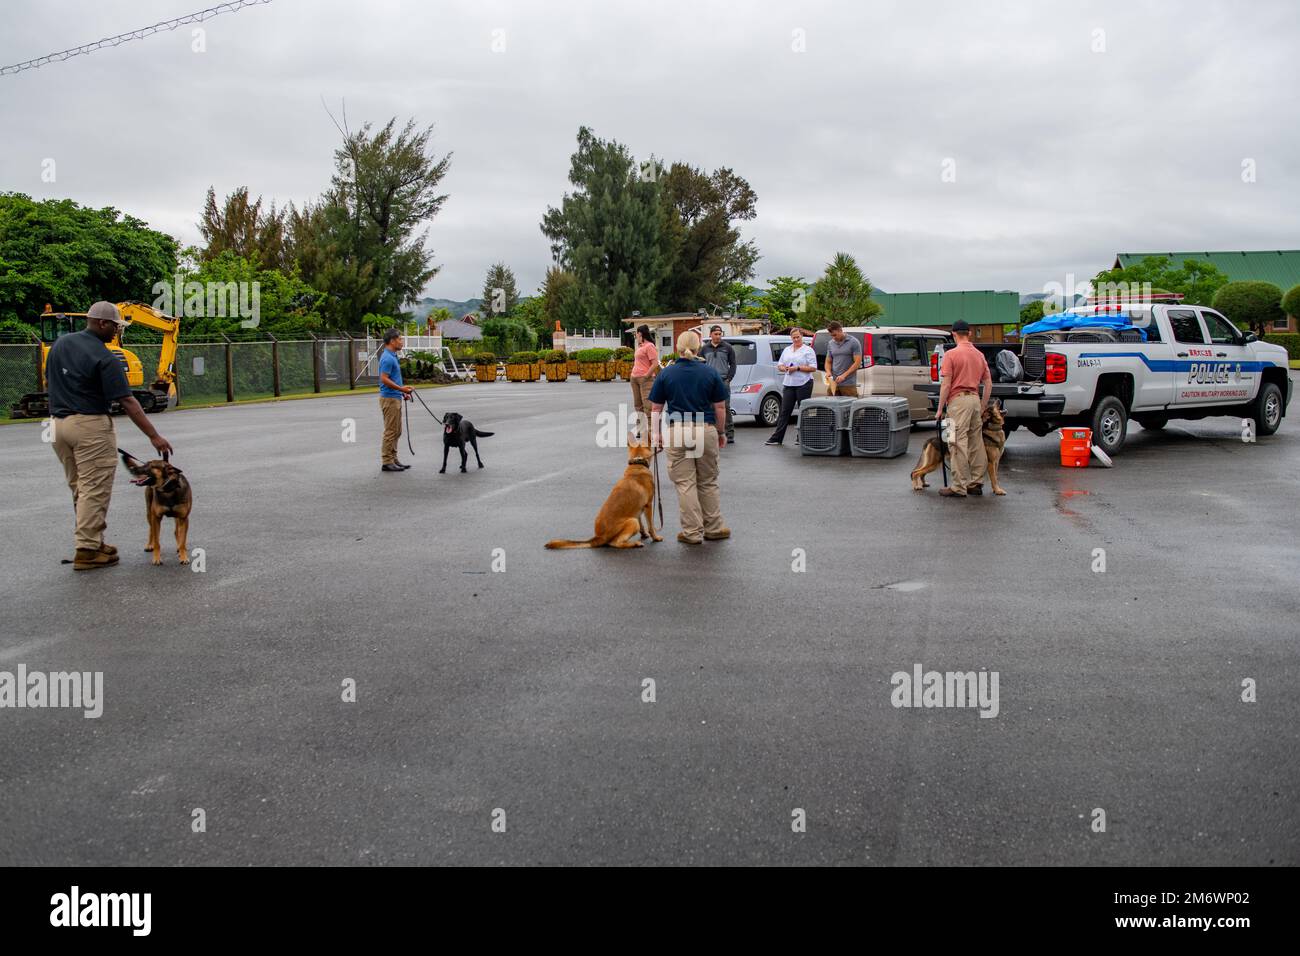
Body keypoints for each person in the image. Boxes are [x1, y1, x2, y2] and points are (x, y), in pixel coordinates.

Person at [47, 301, 174, 571]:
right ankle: (88, 550)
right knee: (94, 489)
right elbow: (127, 401)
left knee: (79, 487)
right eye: (116, 325)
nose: (117, 331)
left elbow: (51, 381)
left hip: (57, 425)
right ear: (102, 323)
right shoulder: (106, 357)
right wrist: (155, 436)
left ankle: (93, 540)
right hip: (89, 425)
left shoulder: (60, 345)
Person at [648, 330, 730, 545]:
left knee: (685, 483)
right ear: (698, 348)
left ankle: (692, 532)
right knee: (708, 481)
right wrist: (721, 432)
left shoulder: (666, 374)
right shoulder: (710, 373)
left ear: (677, 348)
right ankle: (714, 527)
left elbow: (656, 408)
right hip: (705, 429)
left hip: (678, 430)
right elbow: (720, 407)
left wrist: (656, 435)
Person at [934, 319, 993, 497]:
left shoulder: (951, 355)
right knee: (976, 441)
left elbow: (946, 384)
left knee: (956, 442)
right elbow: (988, 383)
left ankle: (958, 486)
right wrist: (982, 405)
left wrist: (939, 409)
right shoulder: (979, 355)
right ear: (969, 333)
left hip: (957, 401)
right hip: (975, 399)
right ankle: (976, 482)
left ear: (954, 334)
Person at [765, 327, 817, 446]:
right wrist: (784, 368)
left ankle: (802, 436)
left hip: (804, 382)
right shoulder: (787, 350)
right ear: (791, 338)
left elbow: (813, 367)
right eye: (794, 338)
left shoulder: (808, 350)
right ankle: (777, 437)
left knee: (803, 410)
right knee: (785, 411)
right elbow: (780, 364)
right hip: (789, 382)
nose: (796, 339)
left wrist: (798, 368)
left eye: (798, 337)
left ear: (801, 336)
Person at [378, 329, 414, 473]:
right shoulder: (387, 358)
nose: (402, 342)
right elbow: (384, 379)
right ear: (392, 341)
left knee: (397, 431)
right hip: (389, 399)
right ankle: (387, 461)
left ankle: (393, 459)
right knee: (391, 431)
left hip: (395, 396)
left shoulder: (392, 356)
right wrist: (401, 389)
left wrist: (402, 391)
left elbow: (392, 378)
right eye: (400, 339)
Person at [699, 325, 738, 443]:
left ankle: (729, 434)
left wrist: (729, 379)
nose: (718, 336)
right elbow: (700, 365)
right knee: (710, 407)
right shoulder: (704, 349)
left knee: (725, 407)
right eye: (716, 334)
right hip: (709, 383)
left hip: (723, 381)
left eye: (720, 334)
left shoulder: (728, 347)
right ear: (710, 334)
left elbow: (733, 364)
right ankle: (713, 434)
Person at [629, 324, 659, 438]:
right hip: (634, 378)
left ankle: (651, 429)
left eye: (636, 333)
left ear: (640, 333)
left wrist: (647, 375)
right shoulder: (640, 346)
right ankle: (640, 429)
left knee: (648, 404)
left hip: (645, 379)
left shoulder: (649, 346)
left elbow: (655, 363)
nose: (635, 336)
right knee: (638, 405)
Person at [823, 321, 862, 397]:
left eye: (835, 335)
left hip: (848, 384)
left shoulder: (854, 342)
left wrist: (844, 376)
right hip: (833, 382)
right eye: (832, 336)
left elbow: (857, 363)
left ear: (840, 330)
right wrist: (828, 372)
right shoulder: (831, 343)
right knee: (830, 406)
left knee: (849, 407)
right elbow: (828, 362)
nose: (834, 337)